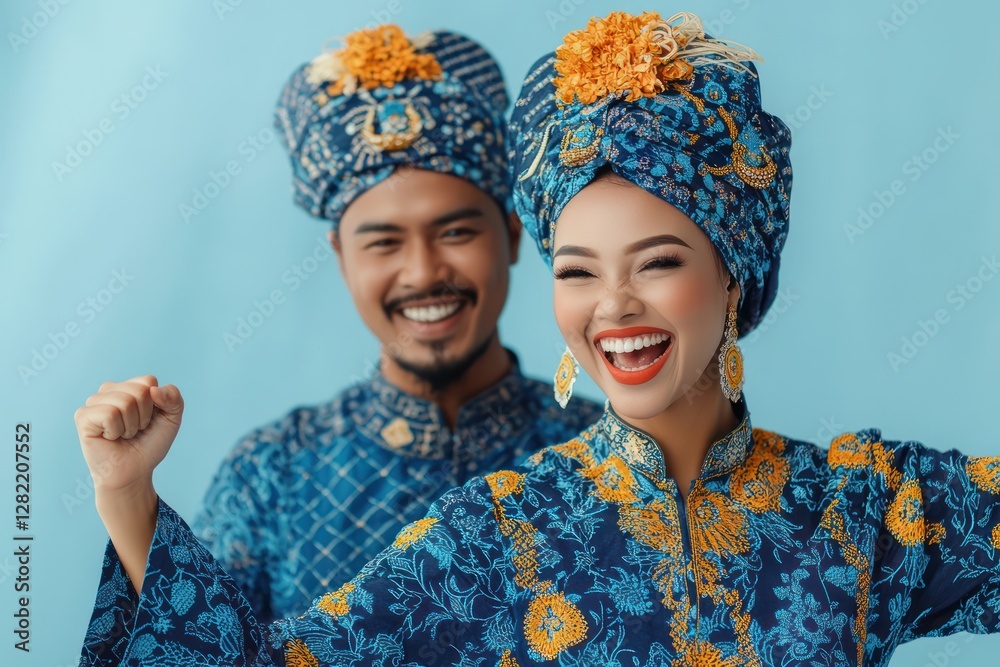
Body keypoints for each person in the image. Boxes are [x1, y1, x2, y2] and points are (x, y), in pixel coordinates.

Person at [75, 10, 1000, 666]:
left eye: (660, 260)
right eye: (580, 269)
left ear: (735, 272)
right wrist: (126, 493)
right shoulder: (496, 533)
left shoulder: (864, 510)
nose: (614, 305)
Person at [84, 22, 604, 644]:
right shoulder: (273, 474)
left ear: (514, 235)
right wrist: (127, 494)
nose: (423, 273)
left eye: (457, 232)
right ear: (339, 255)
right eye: (383, 242)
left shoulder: (606, 453)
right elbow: (211, 653)